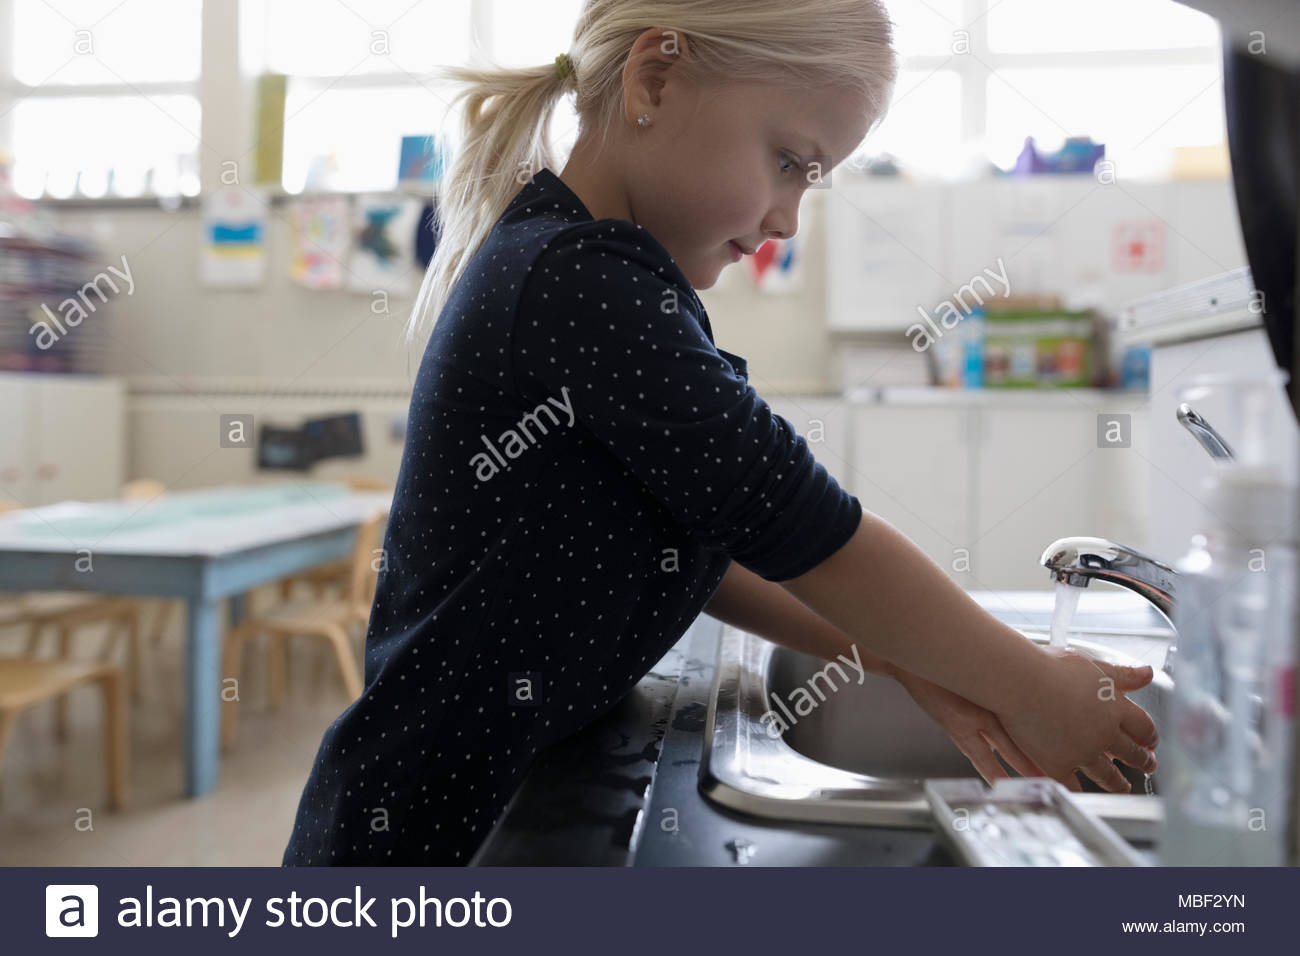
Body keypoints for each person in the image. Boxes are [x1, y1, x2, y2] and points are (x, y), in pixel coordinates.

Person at [282, 0, 1157, 866]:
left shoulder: (592, 267)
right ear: (654, 79)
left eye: (809, 180)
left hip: (474, 800)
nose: (786, 219)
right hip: (424, 835)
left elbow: (714, 545)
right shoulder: (582, 283)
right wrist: (1033, 686)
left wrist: (915, 662)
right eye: (788, 161)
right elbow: (808, 531)